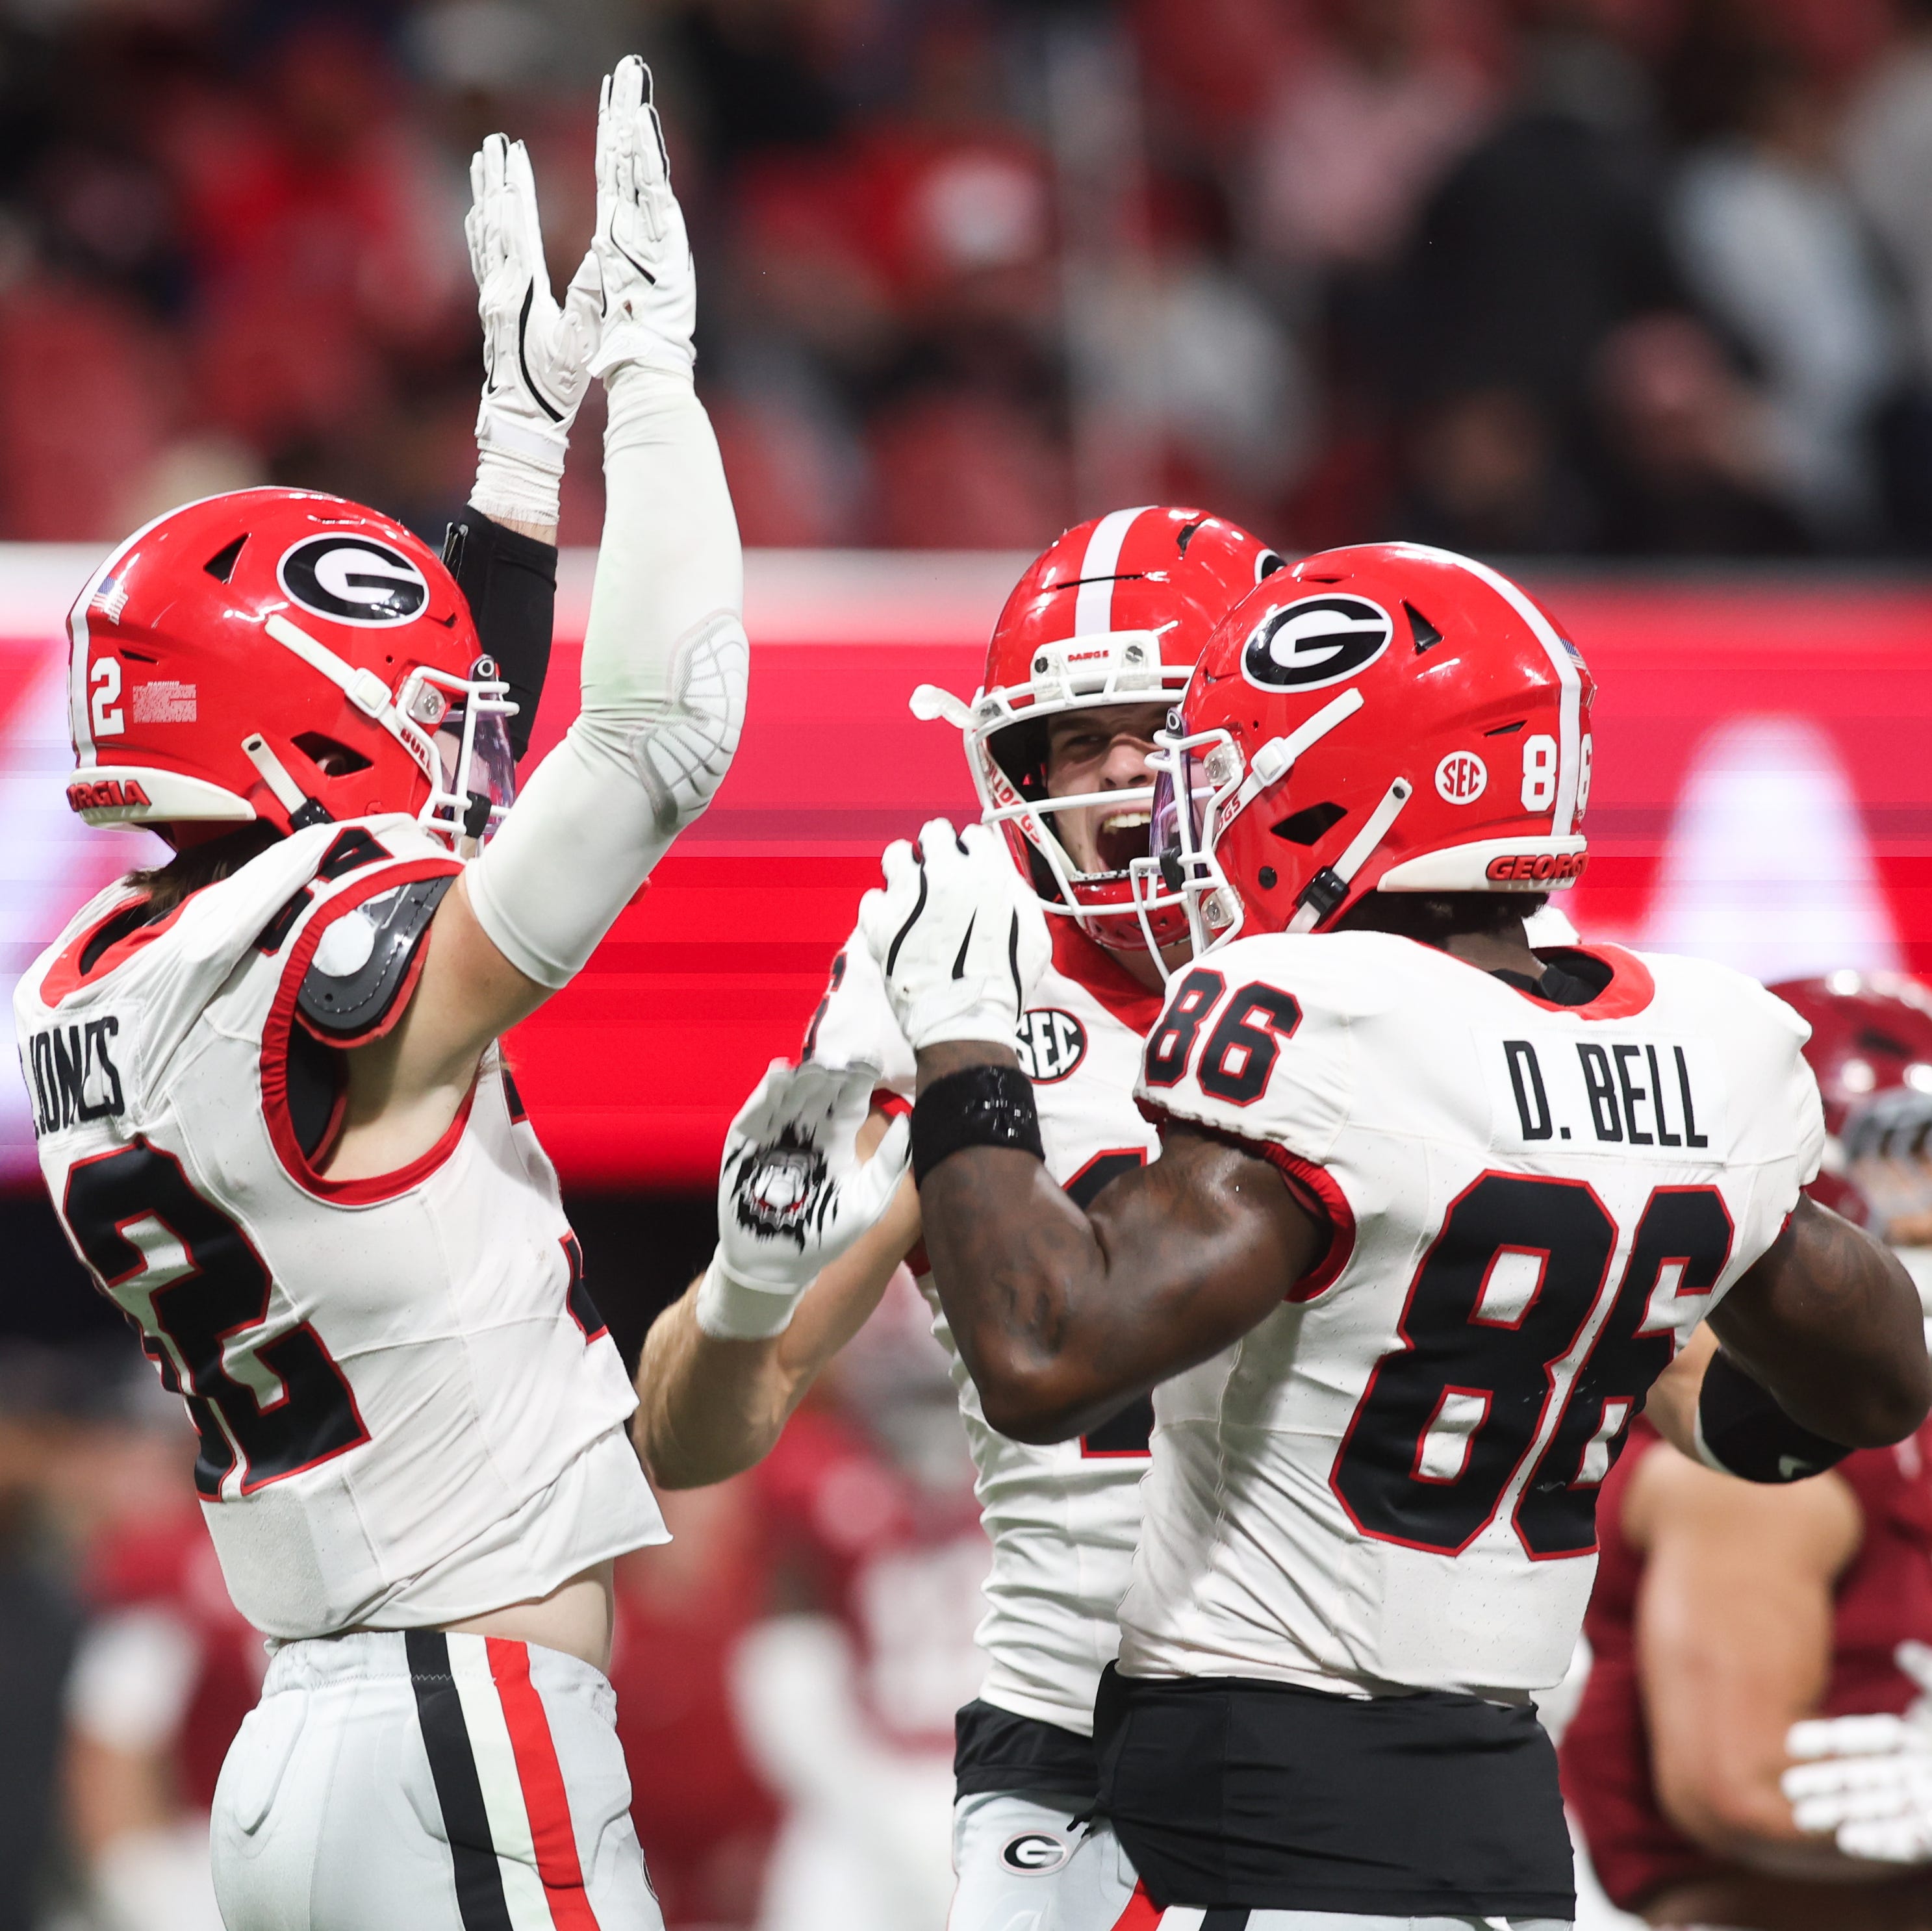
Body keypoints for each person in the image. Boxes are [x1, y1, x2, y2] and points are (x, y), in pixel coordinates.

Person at [842, 539, 1931, 1926]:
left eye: (1226, 761)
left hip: (1262, 1807)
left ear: (1354, 780)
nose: (1196, 803)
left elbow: (1046, 1358)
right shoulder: (1700, 1035)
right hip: (1497, 1812)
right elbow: (1864, 1388)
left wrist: (962, 1048)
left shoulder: (1315, 1016)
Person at [12, 61, 815, 1930]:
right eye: (401, 699)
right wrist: (660, 386)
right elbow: (657, 732)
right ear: (303, 718)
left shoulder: (105, 973)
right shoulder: (299, 958)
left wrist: (513, 482)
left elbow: (444, 793)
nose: (443, 733)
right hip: (465, 1721)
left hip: (319, 1735)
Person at [632, 505, 1286, 1931]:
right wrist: (748, 1284)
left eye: (1158, 719)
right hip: (1069, 1727)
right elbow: (689, 1440)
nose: (1119, 766)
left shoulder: (1370, 972)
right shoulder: (950, 972)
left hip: (1354, 1708)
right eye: (1074, 736)